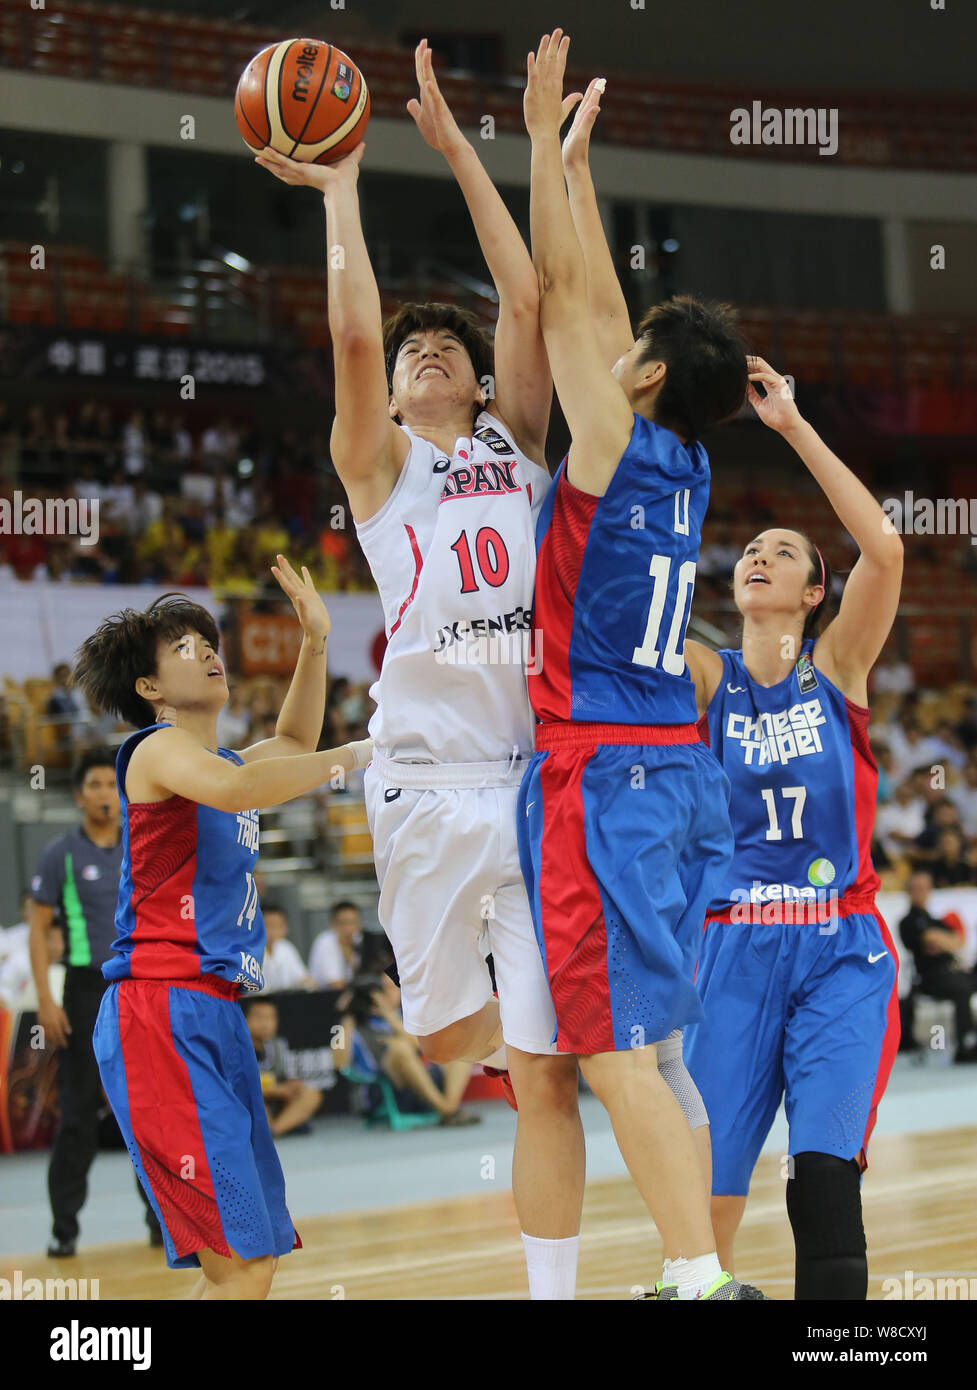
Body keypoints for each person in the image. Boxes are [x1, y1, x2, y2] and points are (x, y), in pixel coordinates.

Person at [255, 42, 572, 1298]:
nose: (429, 353)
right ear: (386, 398)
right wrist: (340, 187)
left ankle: (551, 1292)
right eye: (411, 353)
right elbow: (346, 332)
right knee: (445, 1036)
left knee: (544, 1074)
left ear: (480, 380)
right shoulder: (381, 470)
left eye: (447, 346)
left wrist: (454, 150)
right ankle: (552, 1019)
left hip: (536, 776)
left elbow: (533, 298)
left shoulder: (521, 438)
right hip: (423, 782)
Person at [519, 36, 759, 1301]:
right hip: (673, 773)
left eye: (635, 355)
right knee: (655, 1050)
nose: (613, 355)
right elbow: (608, 317)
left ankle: (698, 1282)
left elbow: (569, 306)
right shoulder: (683, 456)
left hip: (603, 772)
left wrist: (532, 139)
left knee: (610, 1053)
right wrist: (577, 169)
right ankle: (692, 1269)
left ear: (649, 381)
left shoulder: (614, 439)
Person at [72, 561, 371, 1299]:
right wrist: (364, 754)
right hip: (160, 1012)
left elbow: (294, 738)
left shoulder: (222, 759)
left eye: (210, 642)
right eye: (183, 648)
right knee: (243, 1264)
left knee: (245, 1256)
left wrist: (315, 639)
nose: (209, 652)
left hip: (213, 1013)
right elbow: (245, 787)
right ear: (148, 688)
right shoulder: (154, 752)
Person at [682, 356, 904, 1299]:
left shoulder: (838, 667)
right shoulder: (704, 676)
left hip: (837, 947)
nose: (758, 556)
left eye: (783, 551)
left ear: (815, 592)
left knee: (822, 1180)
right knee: (704, 1212)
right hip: (729, 954)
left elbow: (886, 551)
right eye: (749, 550)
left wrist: (792, 430)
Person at [28, 748, 162, 1256]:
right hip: (85, 992)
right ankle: (64, 1231)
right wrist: (45, 997)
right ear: (81, 795)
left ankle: (161, 1225)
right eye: (97, 785)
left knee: (147, 1109)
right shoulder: (60, 853)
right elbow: (39, 932)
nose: (107, 793)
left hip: (139, 987)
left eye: (113, 784)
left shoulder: (143, 844)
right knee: (80, 1114)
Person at [332, 974, 481, 1126]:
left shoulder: (408, 1015)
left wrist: (389, 1016)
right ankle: (448, 1111)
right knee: (400, 1048)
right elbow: (338, 1063)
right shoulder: (343, 1026)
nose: (384, 994)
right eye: (380, 990)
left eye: (388, 989)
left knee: (459, 1052)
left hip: (423, 1082)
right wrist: (345, 1017)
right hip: (382, 1087)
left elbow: (423, 1048)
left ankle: (449, 1106)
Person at [899, 869, 977, 1061]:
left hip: (953, 972)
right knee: (961, 989)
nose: (920, 892)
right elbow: (932, 938)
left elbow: (957, 941)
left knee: (963, 982)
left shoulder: (935, 920)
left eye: (924, 888)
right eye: (916, 888)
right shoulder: (908, 922)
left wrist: (941, 941)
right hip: (930, 978)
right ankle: (965, 1045)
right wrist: (943, 941)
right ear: (909, 891)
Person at [244, 997, 323, 1135]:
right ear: (245, 1019)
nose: (265, 1023)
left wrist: (292, 1086)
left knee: (310, 1094)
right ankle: (270, 1129)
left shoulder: (278, 1045)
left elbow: (289, 1079)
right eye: (259, 1017)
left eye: (270, 1018)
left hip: (275, 1100)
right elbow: (239, 1086)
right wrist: (275, 1090)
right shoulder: (235, 1047)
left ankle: (274, 1130)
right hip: (251, 1101)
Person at [308, 900, 363, 989]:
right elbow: (335, 984)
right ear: (333, 924)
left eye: (353, 922)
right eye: (344, 923)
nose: (349, 928)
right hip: (324, 995)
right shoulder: (325, 942)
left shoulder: (359, 940)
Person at [261, 905, 314, 993]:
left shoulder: (286, 947)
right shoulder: (249, 951)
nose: (272, 931)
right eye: (268, 925)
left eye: (277, 926)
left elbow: (304, 979)